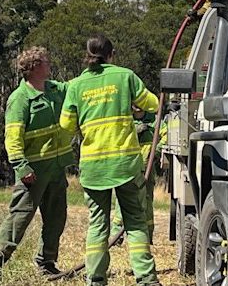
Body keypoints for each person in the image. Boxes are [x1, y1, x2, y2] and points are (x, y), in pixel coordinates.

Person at [59, 34, 161, 286]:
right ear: (111, 54)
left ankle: (95, 279)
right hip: (125, 164)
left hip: (93, 167)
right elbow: (153, 103)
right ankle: (146, 279)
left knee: (97, 225)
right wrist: (130, 108)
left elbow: (66, 125)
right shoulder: (124, 76)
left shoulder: (76, 85)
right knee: (135, 221)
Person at [0, 47, 74, 284]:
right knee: (19, 219)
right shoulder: (20, 99)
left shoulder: (55, 89)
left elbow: (76, 87)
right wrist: (21, 167)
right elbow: (12, 138)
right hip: (33, 172)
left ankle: (47, 263)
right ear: (33, 67)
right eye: (45, 61)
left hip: (56, 168)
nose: (49, 63)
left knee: (56, 218)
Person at [109, 106, 168, 243]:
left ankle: (147, 236)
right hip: (128, 167)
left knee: (146, 201)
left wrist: (157, 151)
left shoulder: (154, 120)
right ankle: (116, 235)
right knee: (122, 200)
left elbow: (166, 134)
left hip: (147, 168)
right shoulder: (125, 118)